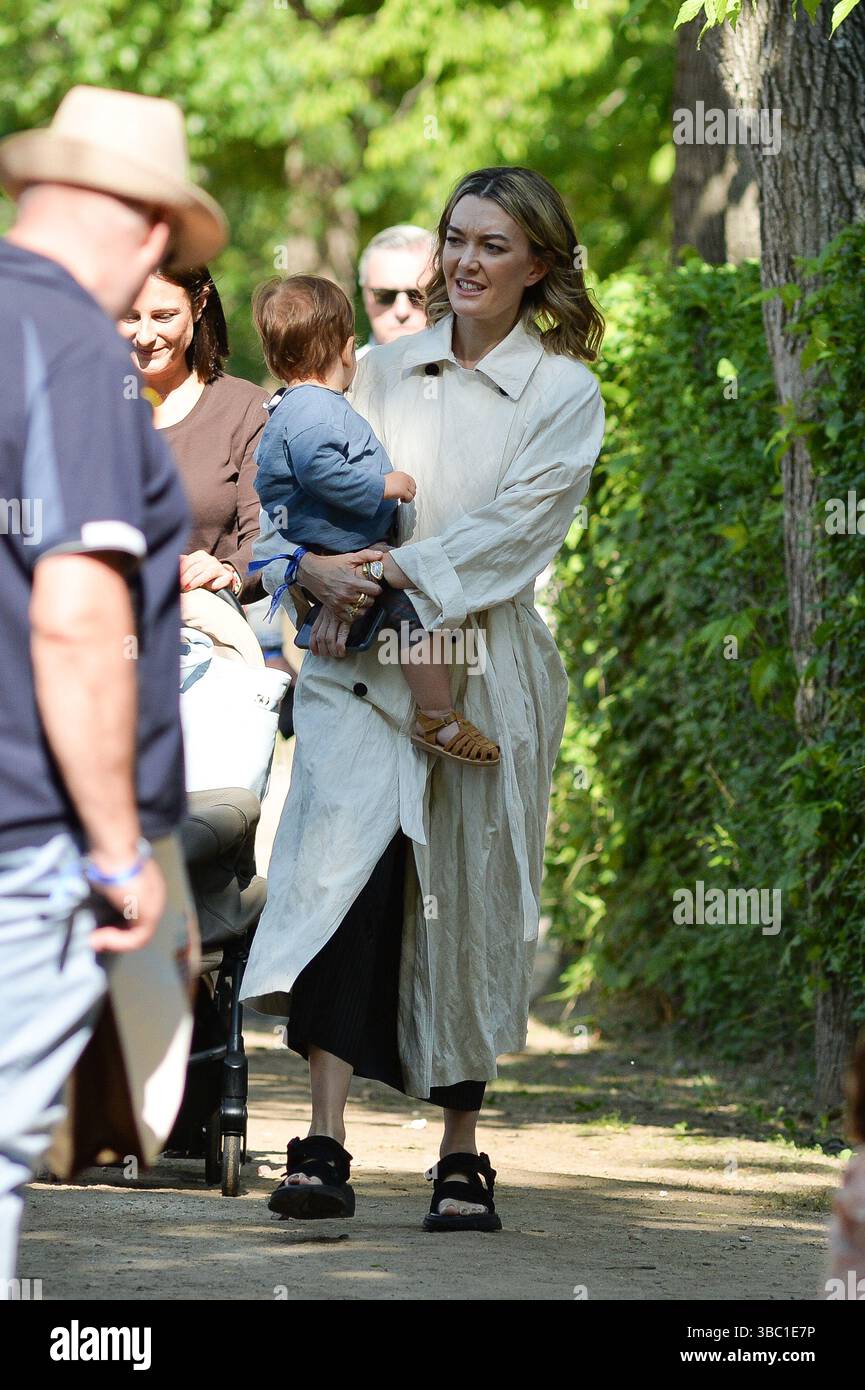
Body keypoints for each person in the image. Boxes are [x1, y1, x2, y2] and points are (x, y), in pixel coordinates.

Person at [243, 165, 605, 1231]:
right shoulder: (378, 370)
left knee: (468, 902)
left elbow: (518, 530)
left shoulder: (563, 393)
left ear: (538, 261)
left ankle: (459, 1155)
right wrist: (298, 567)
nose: (465, 261)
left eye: (494, 245)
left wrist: (398, 571)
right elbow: (292, 481)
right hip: (358, 664)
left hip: (483, 666)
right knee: (342, 881)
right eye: (456, 239)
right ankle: (321, 1144)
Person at [0, 83, 226, 1290]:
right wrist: (116, 852)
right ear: (147, 228)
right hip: (25, 838)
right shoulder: (69, 346)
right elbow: (79, 616)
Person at [251, 273, 500, 766]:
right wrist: (384, 486)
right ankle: (439, 718)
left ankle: (415, 695)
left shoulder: (292, 405)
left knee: (383, 618)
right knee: (414, 619)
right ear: (347, 351)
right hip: (343, 543)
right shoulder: (315, 408)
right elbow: (320, 471)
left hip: (331, 547)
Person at [118, 265, 268, 603]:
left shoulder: (247, 410)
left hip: (199, 639)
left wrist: (228, 571)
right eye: (129, 316)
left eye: (163, 316)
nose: (144, 336)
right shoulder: (72, 408)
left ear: (199, 305)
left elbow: (267, 542)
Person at [356, 224, 434, 357]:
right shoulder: (342, 377)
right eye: (384, 295)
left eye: (418, 296)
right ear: (365, 296)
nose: (401, 312)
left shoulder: (471, 374)